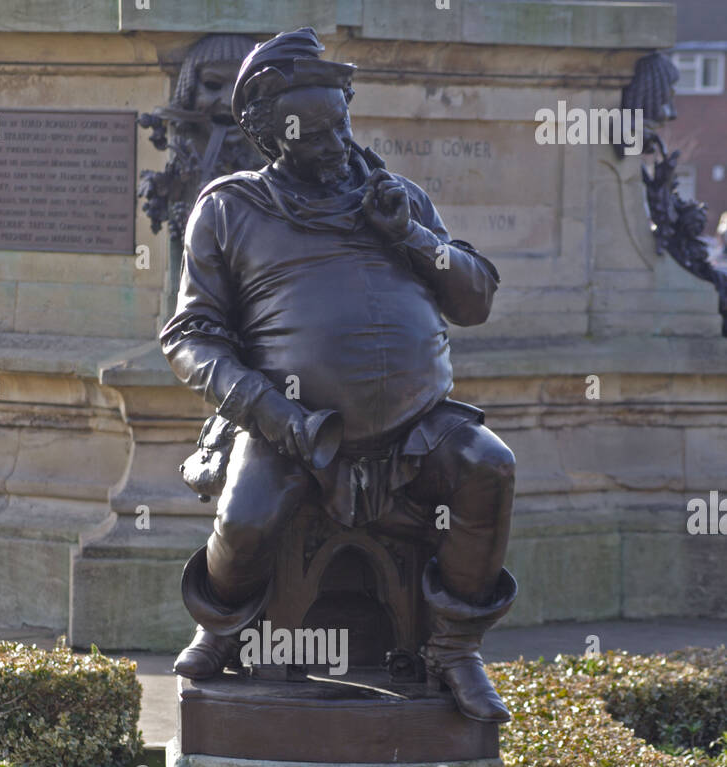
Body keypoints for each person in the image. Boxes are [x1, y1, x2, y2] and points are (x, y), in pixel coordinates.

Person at [161, 26, 517, 722]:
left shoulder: (396, 199)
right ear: (270, 134)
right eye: (313, 132)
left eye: (341, 125)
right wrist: (271, 414)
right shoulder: (231, 208)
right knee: (246, 520)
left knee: (489, 469)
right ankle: (221, 622)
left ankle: (455, 646)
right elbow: (190, 337)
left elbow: (474, 300)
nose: (335, 144)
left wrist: (412, 237)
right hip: (290, 423)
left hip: (418, 425)